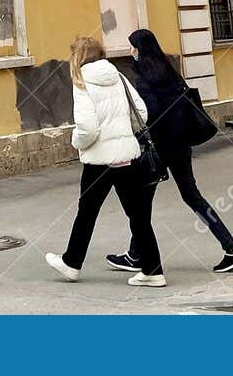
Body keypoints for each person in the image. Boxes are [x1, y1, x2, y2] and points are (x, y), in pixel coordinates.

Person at [109, 29, 233, 275]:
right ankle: (231, 248)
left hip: (161, 148)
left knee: (142, 201)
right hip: (181, 144)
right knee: (192, 196)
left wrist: (140, 134)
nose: (130, 50)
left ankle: (135, 256)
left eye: (132, 46)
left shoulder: (143, 77)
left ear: (139, 49)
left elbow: (151, 112)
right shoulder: (169, 70)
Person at [45, 34, 166, 288]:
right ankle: (153, 271)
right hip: (126, 155)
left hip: (99, 161)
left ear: (77, 57)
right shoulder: (118, 76)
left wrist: (76, 141)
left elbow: (87, 128)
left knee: (87, 213)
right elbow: (141, 112)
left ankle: (72, 263)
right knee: (138, 216)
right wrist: (124, 134)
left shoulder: (81, 81)